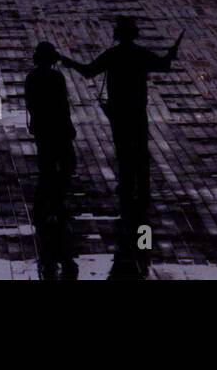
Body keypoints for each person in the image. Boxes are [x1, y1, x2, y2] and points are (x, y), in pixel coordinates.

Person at [61, 16, 182, 220]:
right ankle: (143, 190)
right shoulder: (140, 54)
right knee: (141, 151)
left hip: (118, 111)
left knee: (124, 150)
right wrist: (170, 55)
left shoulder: (113, 55)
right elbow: (162, 65)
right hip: (137, 110)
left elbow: (89, 71)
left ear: (117, 35)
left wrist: (69, 62)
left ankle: (126, 187)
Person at [24, 41, 77, 226]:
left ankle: (44, 204)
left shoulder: (31, 77)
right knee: (67, 163)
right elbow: (62, 104)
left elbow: (30, 103)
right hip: (58, 127)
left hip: (42, 127)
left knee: (46, 166)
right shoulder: (56, 77)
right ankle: (56, 200)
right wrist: (68, 125)